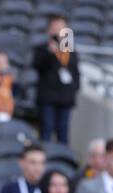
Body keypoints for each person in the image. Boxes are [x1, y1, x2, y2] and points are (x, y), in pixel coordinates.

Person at [31, 15, 78, 144]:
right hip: (48, 97)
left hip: (65, 97)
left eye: (62, 27)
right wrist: (49, 53)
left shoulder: (69, 50)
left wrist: (74, 90)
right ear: (49, 29)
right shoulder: (42, 48)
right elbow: (37, 66)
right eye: (56, 27)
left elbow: (75, 72)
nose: (59, 30)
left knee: (63, 131)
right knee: (47, 128)